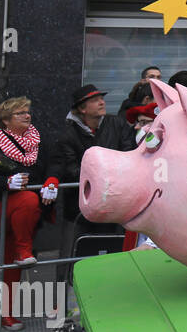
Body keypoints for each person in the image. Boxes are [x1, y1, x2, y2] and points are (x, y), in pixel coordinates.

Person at [0, 97, 60, 329]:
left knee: (11, 263)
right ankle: (23, 251)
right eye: (20, 113)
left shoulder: (38, 140)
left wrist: (52, 181)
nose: (27, 116)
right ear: (5, 121)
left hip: (27, 215)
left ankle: (7, 314)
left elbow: (54, 164)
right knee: (26, 201)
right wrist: (4, 182)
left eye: (28, 112)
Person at [51, 85, 137, 273]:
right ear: (82, 108)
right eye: (95, 100)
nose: (102, 102)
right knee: (71, 256)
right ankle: (61, 296)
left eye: (102, 98)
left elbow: (129, 155)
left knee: (115, 254)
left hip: (115, 201)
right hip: (80, 207)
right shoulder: (68, 135)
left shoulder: (117, 124)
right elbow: (72, 170)